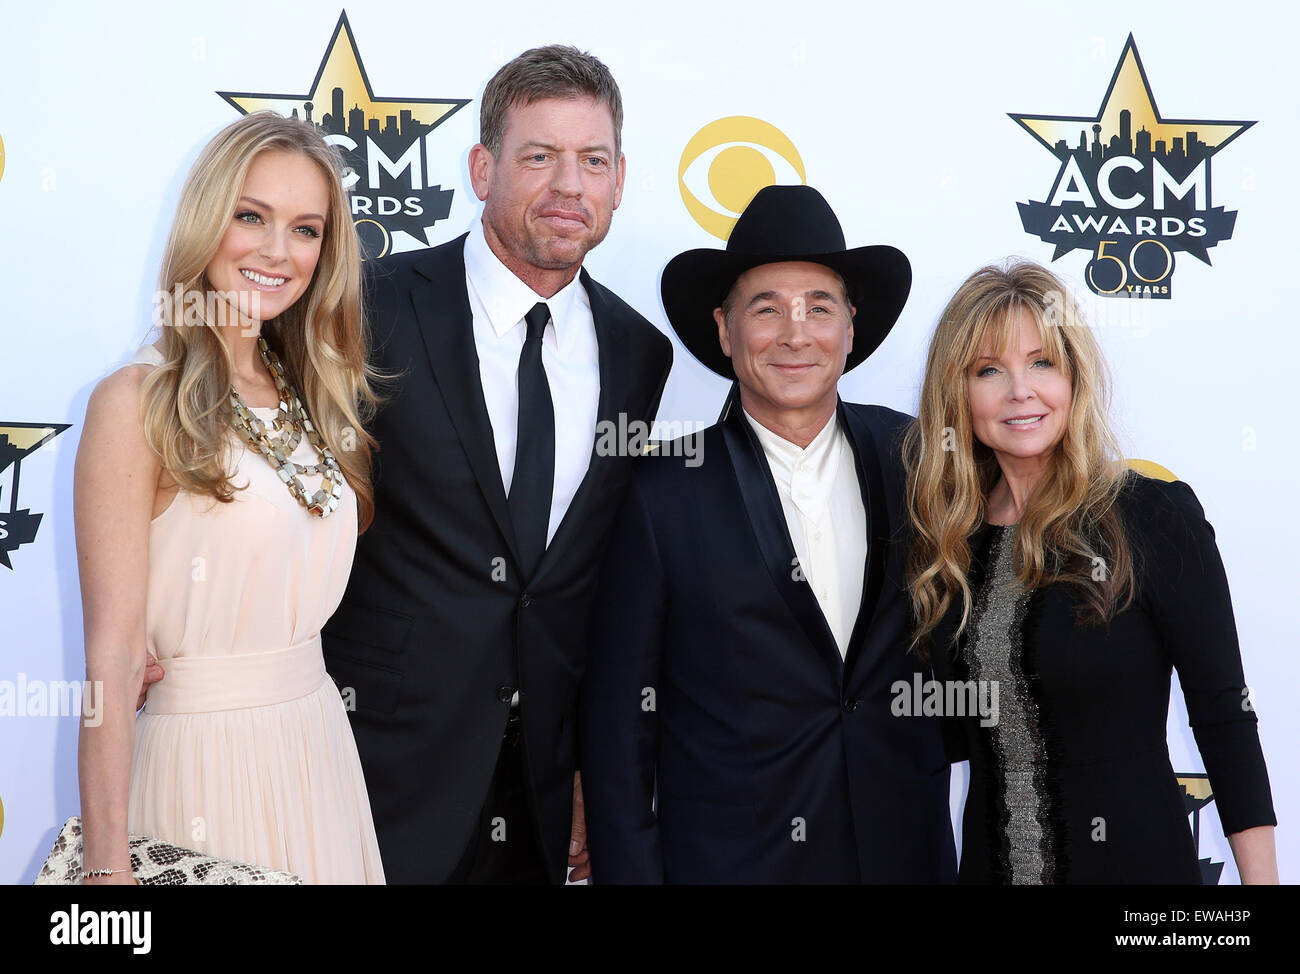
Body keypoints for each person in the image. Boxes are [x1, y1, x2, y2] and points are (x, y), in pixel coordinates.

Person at [319, 45, 672, 884]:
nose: (569, 187)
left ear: (620, 179)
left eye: (592, 161)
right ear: (483, 168)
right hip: (370, 768)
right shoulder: (365, 305)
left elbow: (593, 583)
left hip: (540, 791)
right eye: (538, 157)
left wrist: (591, 766)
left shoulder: (639, 352)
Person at [578, 184, 957, 883]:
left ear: (850, 326)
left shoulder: (919, 461)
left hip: (905, 857)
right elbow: (616, 730)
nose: (795, 333)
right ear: (724, 330)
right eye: (767, 309)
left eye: (819, 307)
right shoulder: (661, 493)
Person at [75, 111, 385, 884]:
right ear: (207, 220)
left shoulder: (312, 391)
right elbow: (112, 657)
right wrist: (108, 874)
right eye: (252, 217)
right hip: (201, 767)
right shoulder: (135, 399)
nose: (279, 252)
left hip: (317, 750)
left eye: (306, 229)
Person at [903, 259, 1278, 884]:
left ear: (1074, 373)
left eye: (1041, 362)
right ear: (957, 394)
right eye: (989, 370)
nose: (1020, 390)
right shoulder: (947, 544)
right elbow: (943, 742)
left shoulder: (1151, 515)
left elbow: (1224, 718)